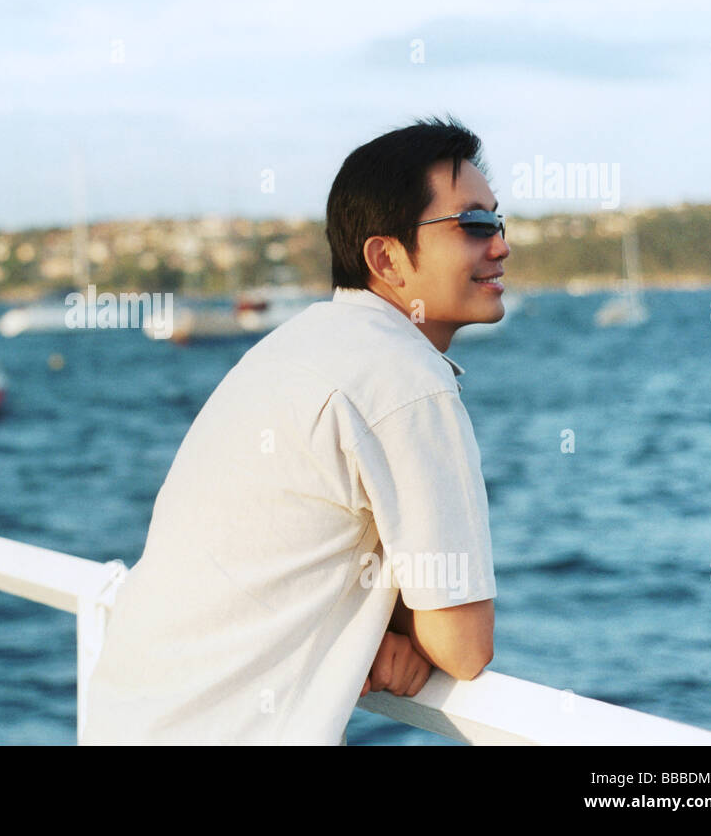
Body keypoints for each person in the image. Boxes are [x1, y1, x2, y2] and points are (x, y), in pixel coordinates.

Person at [80, 116, 505, 745]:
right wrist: (410, 633)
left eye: (497, 222)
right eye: (472, 225)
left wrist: (384, 628)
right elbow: (464, 646)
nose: (498, 245)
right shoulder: (405, 378)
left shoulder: (295, 347)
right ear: (386, 256)